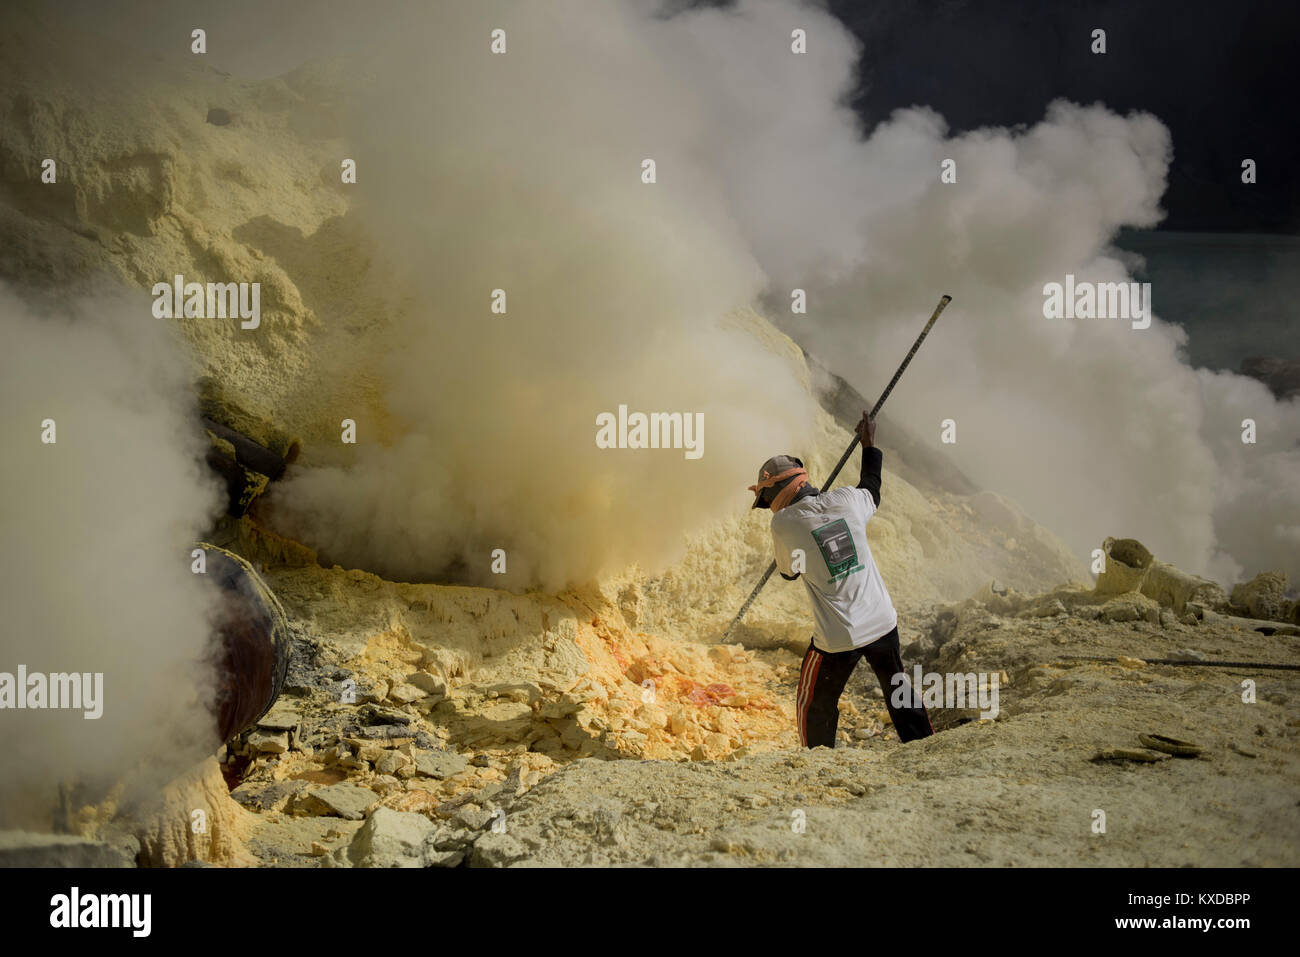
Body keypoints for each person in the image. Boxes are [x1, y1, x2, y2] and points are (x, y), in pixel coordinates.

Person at [748, 411, 934, 747]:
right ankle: (925, 746)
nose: (768, 506)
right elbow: (872, 489)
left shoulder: (784, 524)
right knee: (898, 688)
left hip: (839, 637)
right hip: (881, 621)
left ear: (779, 492)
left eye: (766, 498)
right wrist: (869, 444)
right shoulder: (848, 500)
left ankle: (818, 760)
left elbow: (789, 573)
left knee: (814, 703)